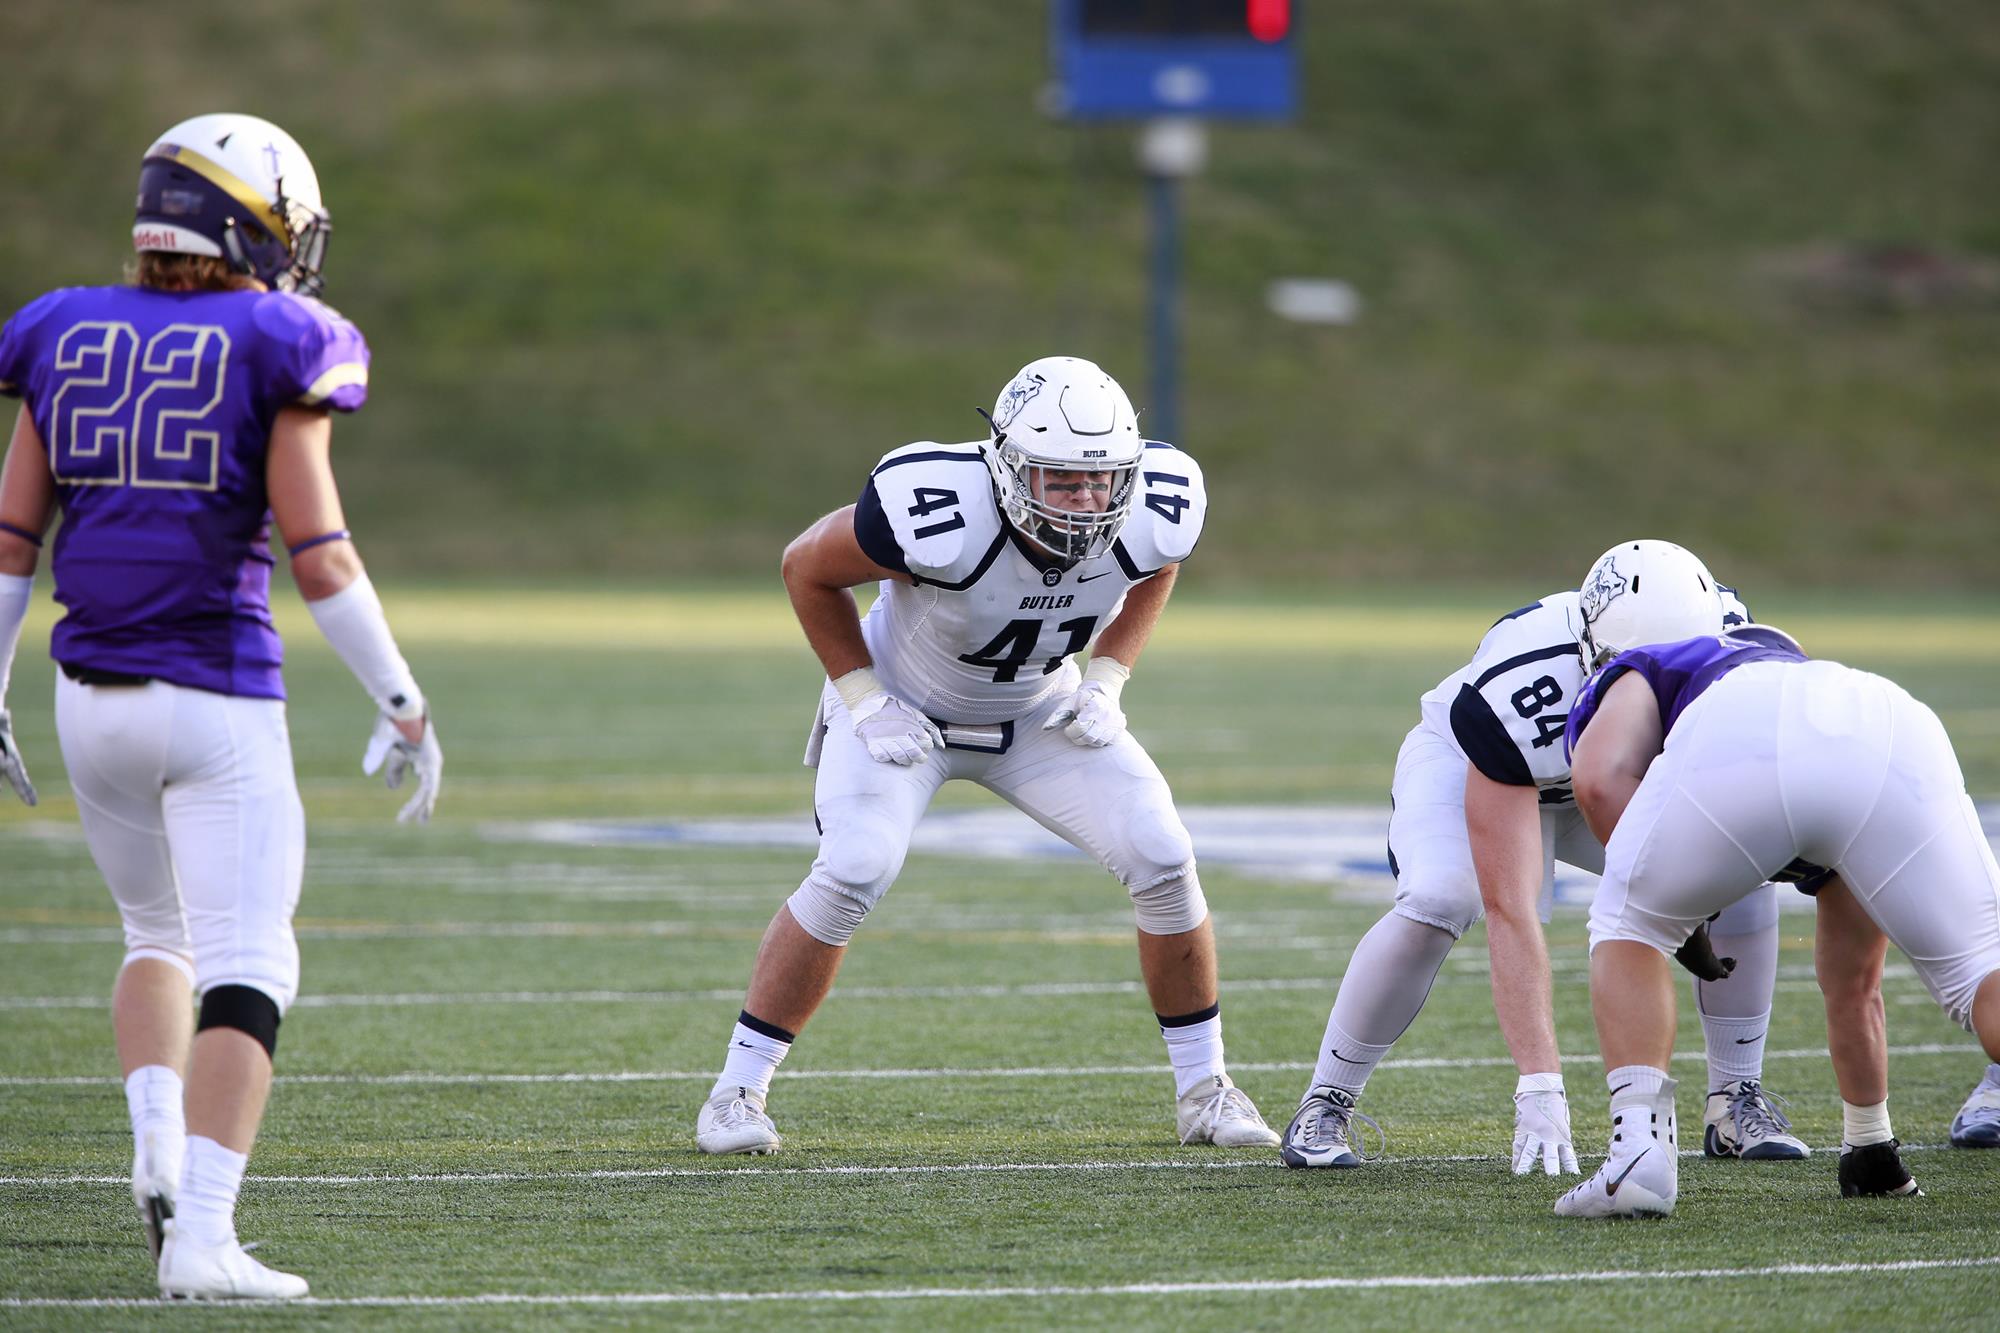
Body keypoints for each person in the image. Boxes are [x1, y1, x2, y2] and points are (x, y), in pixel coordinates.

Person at [0, 113, 442, 1298]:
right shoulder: (282, 334)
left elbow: (11, 536)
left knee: (155, 938)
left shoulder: (62, 327)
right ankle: (201, 1234)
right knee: (253, 960)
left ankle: (155, 1147)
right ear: (249, 224)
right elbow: (321, 552)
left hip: (84, 699)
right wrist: (401, 698)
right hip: (213, 696)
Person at [693, 355, 1277, 1155]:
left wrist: (1107, 675)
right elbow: (806, 567)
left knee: (1163, 852)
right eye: (1060, 481)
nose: (1084, 501)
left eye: (1101, 480)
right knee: (857, 862)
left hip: (1039, 712)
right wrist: (864, 698)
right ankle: (736, 1093)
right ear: (1006, 464)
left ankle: (1206, 1091)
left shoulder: (1155, 505)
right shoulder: (935, 509)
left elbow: (1157, 562)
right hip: (903, 709)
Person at [1282, 540, 1809, 1172]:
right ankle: (1326, 1102)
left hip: (1603, 778)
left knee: (1741, 869)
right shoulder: (1520, 689)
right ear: (1590, 650)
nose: (1648, 688)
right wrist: (1540, 1083)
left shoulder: (1729, 648)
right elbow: (1513, 910)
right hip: (1485, 771)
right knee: (1441, 896)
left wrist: (1694, 898)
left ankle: (1734, 1100)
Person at [1557, 623, 2000, 1217]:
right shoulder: (1804, 679)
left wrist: (1672, 917)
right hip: (1892, 723)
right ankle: (1870, 1141)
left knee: (1627, 926)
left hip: (1745, 730)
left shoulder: (1649, 665)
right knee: (1981, 972)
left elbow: (1598, 779)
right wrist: (1868, 1139)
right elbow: (1854, 979)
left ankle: (1638, 1155)